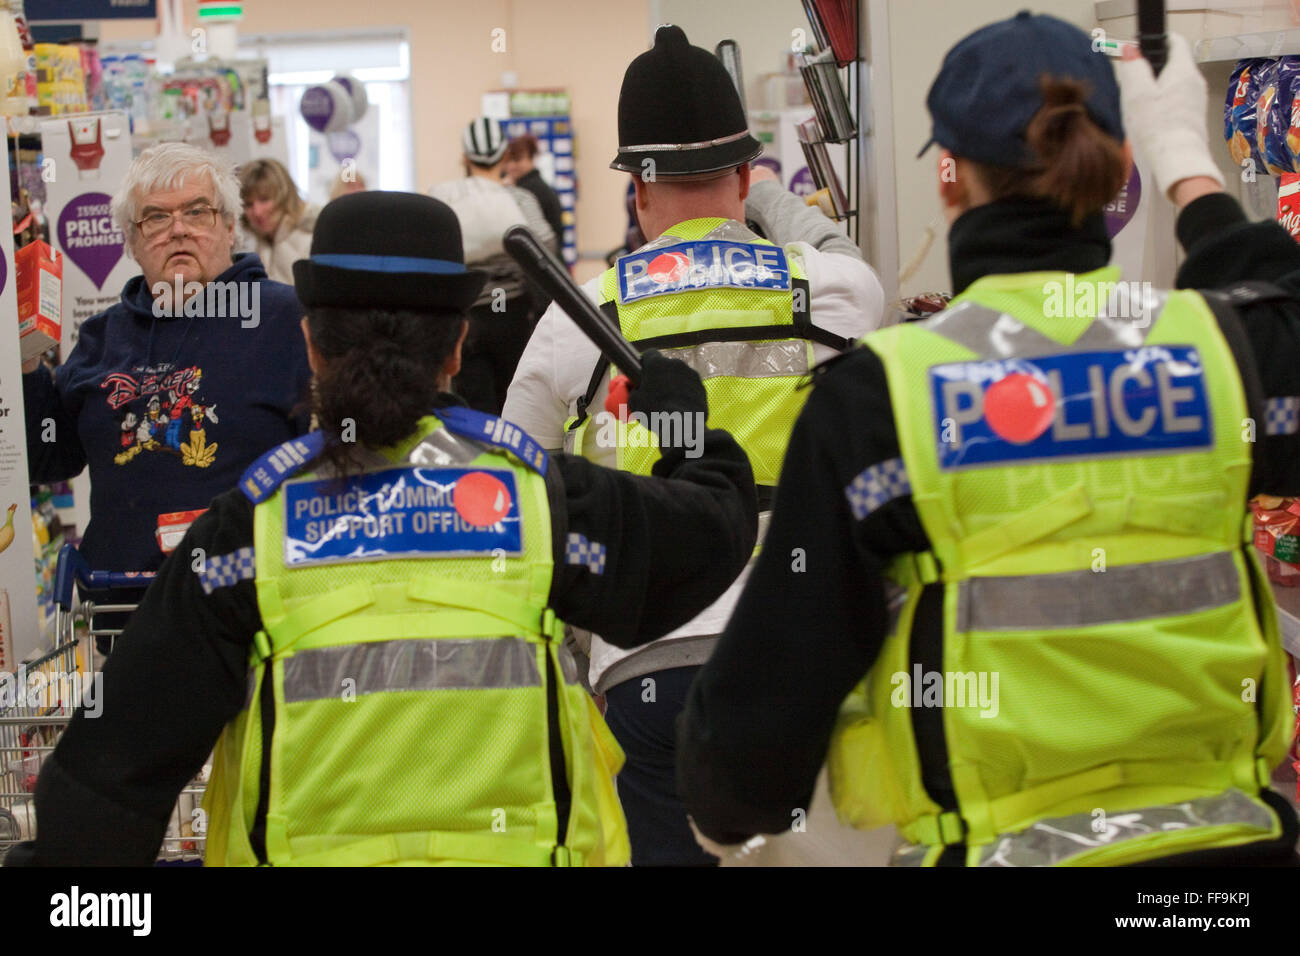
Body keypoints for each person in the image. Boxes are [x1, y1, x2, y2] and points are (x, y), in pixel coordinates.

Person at [677, 15, 1300, 867]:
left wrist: (724, 806)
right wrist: (1189, 167)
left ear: (950, 182)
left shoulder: (884, 402)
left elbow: (756, 738)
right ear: (1118, 172)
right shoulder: (1220, 356)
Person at [6, 191, 757, 867]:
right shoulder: (542, 505)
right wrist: (683, 424)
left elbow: (108, 784)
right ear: (458, 349)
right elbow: (715, 532)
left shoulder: (245, 537)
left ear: (310, 346)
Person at [502, 24, 885, 866]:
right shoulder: (833, 292)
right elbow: (840, 257)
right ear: (748, 176)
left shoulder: (580, 317)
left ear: (636, 193)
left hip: (646, 667)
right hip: (804, 653)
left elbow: (514, 495)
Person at [22, 141, 311, 624]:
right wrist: (27, 363)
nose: (178, 229)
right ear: (131, 244)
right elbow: (50, 458)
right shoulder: (101, 336)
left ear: (228, 226)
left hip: (253, 609)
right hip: (122, 612)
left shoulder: (287, 319)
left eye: (197, 212)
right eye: (155, 218)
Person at [429, 117, 558, 416]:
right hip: (512, 315)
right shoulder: (520, 198)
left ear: (464, 157)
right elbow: (546, 244)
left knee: (476, 408)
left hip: (466, 317)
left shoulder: (446, 196)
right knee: (516, 403)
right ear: (503, 155)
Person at [239, 158, 319, 287]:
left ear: (284, 196)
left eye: (264, 200)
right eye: (249, 204)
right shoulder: (261, 244)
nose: (257, 212)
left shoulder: (311, 239)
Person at [503, 134, 565, 243]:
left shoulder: (529, 190)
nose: (511, 166)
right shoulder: (531, 184)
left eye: (517, 160)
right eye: (508, 161)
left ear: (531, 159)